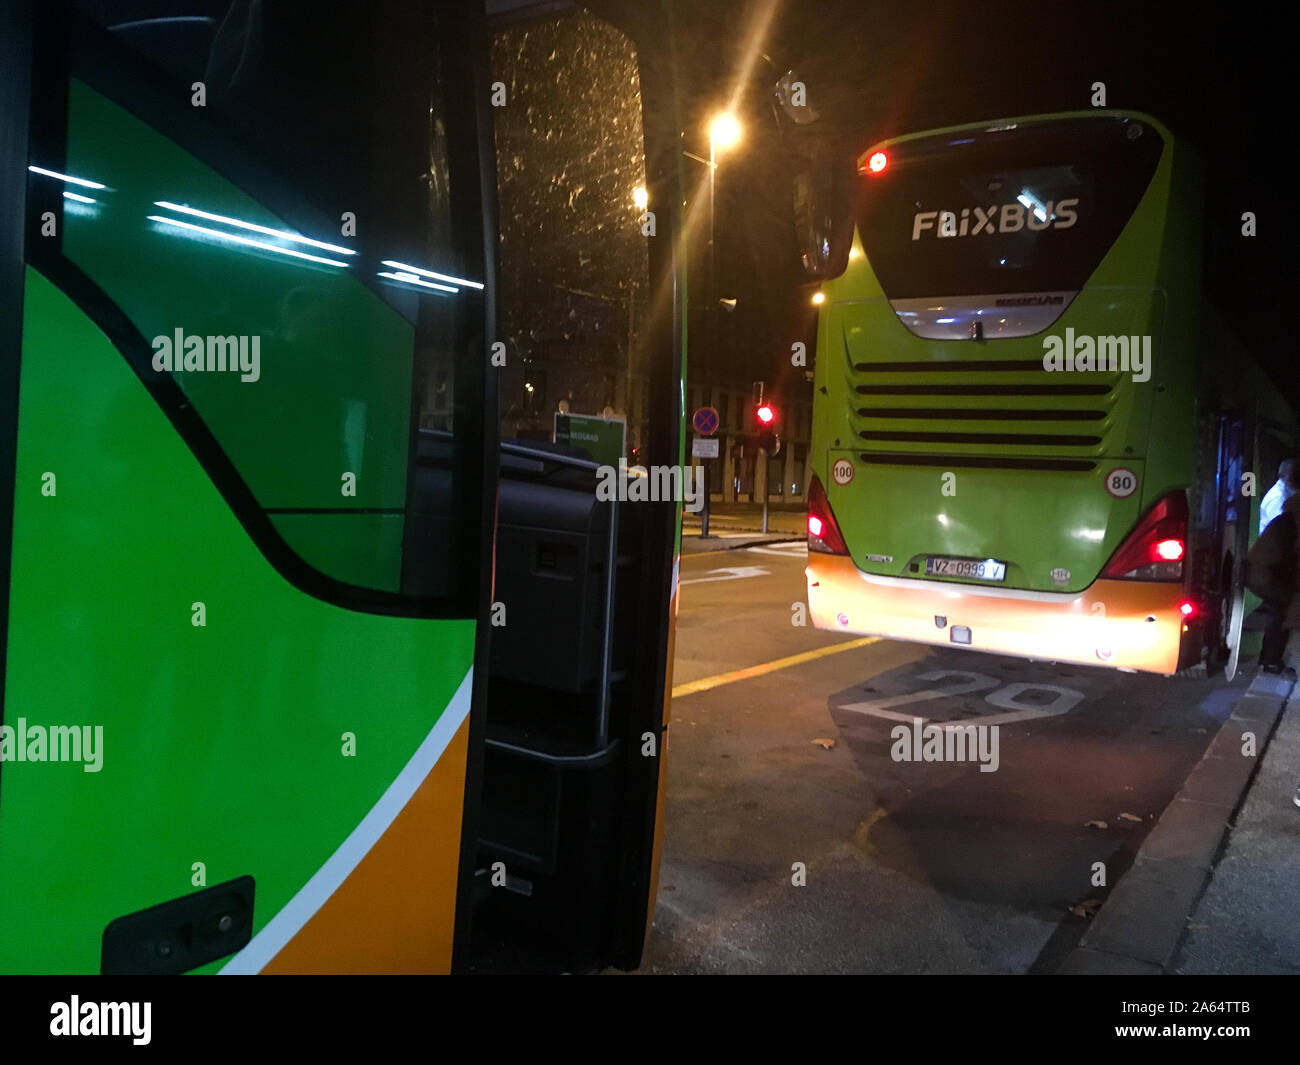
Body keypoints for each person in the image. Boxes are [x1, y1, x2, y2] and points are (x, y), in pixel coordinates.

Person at [1246, 493, 1299, 672]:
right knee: (1284, 610)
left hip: (1261, 572)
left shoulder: (1288, 518)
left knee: (1281, 610)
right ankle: (1271, 660)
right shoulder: (1293, 522)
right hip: (1263, 574)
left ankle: (1270, 659)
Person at [1259, 458, 1300, 533]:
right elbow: (1281, 531)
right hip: (1274, 542)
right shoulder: (1276, 499)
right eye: (1293, 478)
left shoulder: (1288, 492)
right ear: (1282, 477)